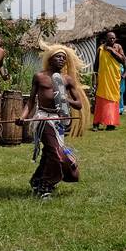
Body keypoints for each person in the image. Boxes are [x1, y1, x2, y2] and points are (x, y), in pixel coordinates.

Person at [18, 43, 87, 198]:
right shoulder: (39, 77)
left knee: (50, 151)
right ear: (50, 59)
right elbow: (30, 101)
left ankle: (37, 180)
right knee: (56, 153)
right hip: (42, 119)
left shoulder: (67, 80)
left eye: (64, 57)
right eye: (58, 57)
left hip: (58, 121)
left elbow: (78, 103)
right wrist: (23, 117)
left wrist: (65, 100)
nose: (62, 60)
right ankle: (45, 187)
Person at [92, 31, 126, 130]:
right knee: (101, 101)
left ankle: (110, 123)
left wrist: (112, 51)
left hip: (114, 79)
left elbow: (123, 60)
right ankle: (96, 123)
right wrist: (94, 78)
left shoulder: (118, 47)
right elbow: (96, 65)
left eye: (113, 38)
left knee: (113, 101)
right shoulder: (101, 49)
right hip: (103, 79)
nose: (112, 40)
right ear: (105, 39)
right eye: (110, 38)